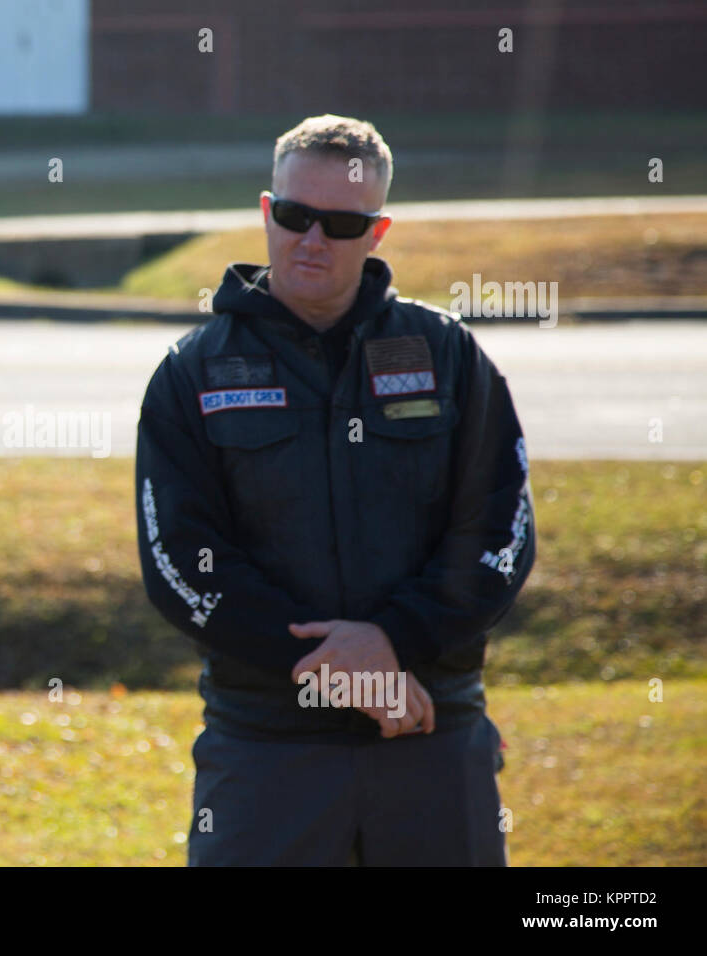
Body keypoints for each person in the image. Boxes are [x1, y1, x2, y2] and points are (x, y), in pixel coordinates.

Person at [135, 116, 535, 866]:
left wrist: (393, 642)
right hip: (267, 750)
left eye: (342, 222)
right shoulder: (192, 372)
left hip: (429, 736)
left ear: (377, 230)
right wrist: (338, 670)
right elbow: (179, 561)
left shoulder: (448, 355)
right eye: (293, 216)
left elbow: (499, 534)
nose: (311, 239)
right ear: (266, 211)